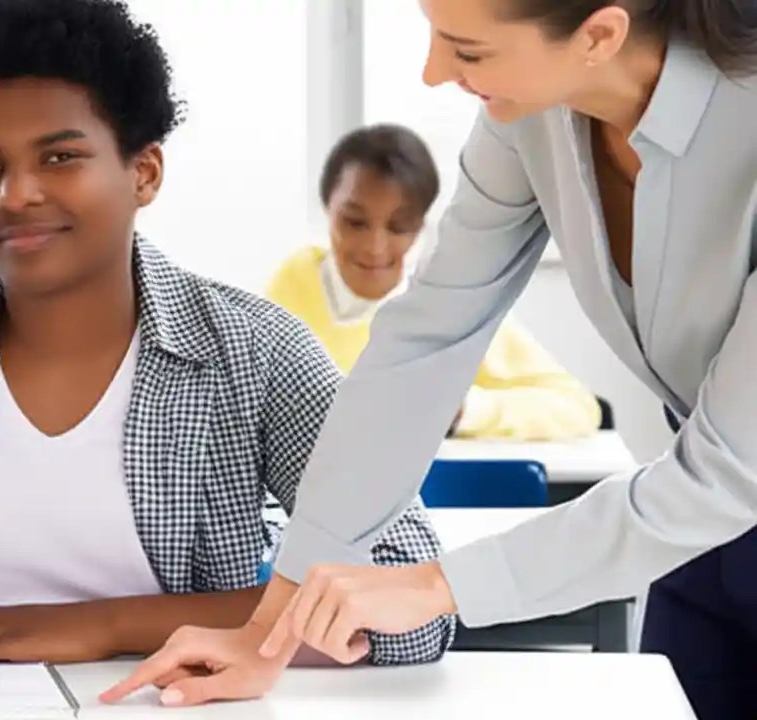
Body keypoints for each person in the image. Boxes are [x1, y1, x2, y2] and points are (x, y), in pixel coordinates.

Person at [0, 0, 453, 714]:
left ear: (144, 173)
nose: (14, 195)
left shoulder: (256, 351)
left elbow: (409, 598)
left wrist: (98, 625)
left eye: (59, 157)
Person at [104, 1, 757, 717]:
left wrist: (437, 585)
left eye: (467, 50)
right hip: (696, 533)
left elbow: (728, 472)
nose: (432, 72)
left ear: (599, 36)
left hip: (713, 491)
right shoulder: (532, 115)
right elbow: (425, 340)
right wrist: (272, 629)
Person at [268, 124, 600, 440]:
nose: (375, 247)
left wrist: (459, 410)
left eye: (399, 226)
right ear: (327, 208)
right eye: (355, 222)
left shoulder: (447, 301)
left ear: (420, 226)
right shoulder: (294, 283)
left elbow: (576, 406)